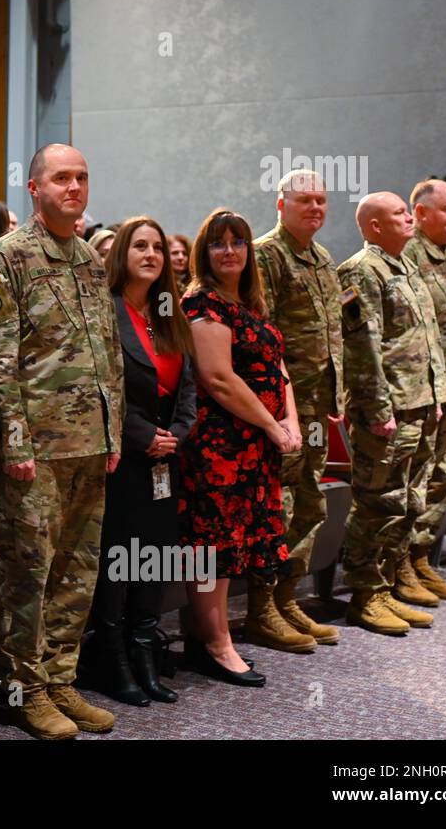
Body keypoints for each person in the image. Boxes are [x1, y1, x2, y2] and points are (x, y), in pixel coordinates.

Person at [0, 143, 123, 738]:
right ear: (34, 189)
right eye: (61, 178)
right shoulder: (8, 256)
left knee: (77, 570)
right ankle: (25, 688)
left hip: (90, 442)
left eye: (82, 177)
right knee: (29, 573)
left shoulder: (90, 258)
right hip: (35, 449)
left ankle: (61, 679)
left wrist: (113, 430)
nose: (74, 187)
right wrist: (13, 444)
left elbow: (106, 351)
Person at [179, 209, 301, 686]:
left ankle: (210, 636)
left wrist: (291, 418)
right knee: (213, 547)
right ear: (203, 253)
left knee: (233, 547)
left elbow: (278, 367)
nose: (229, 251)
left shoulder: (248, 301)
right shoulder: (202, 304)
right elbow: (218, 379)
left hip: (256, 444)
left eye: (238, 242)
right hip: (219, 446)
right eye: (218, 244)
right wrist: (274, 426)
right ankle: (215, 643)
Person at [91, 216, 196, 707]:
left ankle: (146, 658)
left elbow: (189, 392)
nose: (152, 254)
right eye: (140, 246)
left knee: (152, 560)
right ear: (122, 255)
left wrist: (175, 436)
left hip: (165, 462)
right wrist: (141, 436)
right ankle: (115, 666)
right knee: (119, 562)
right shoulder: (106, 310)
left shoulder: (168, 311)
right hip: (124, 458)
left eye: (158, 246)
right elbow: (100, 386)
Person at [338, 192, 446, 635]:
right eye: (400, 213)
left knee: (409, 500)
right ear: (375, 226)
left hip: (419, 403)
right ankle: (365, 595)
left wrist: (437, 395)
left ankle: (388, 583)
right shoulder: (359, 272)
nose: (409, 218)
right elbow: (363, 347)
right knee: (377, 503)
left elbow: (426, 338)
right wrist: (377, 408)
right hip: (388, 410)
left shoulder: (406, 267)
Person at [251, 169, 344, 650]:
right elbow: (262, 335)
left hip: (316, 404)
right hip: (283, 407)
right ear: (281, 205)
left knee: (309, 501)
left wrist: (336, 397)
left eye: (322, 201)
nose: (316, 208)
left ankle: (289, 598)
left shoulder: (322, 257)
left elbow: (331, 335)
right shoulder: (267, 255)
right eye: (305, 200)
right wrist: (279, 410)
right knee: (279, 504)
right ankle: (261, 607)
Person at [401, 179, 446, 603]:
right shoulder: (406, 256)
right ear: (421, 213)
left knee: (441, 478)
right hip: (420, 391)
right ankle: (398, 567)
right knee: (412, 481)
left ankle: (420, 557)